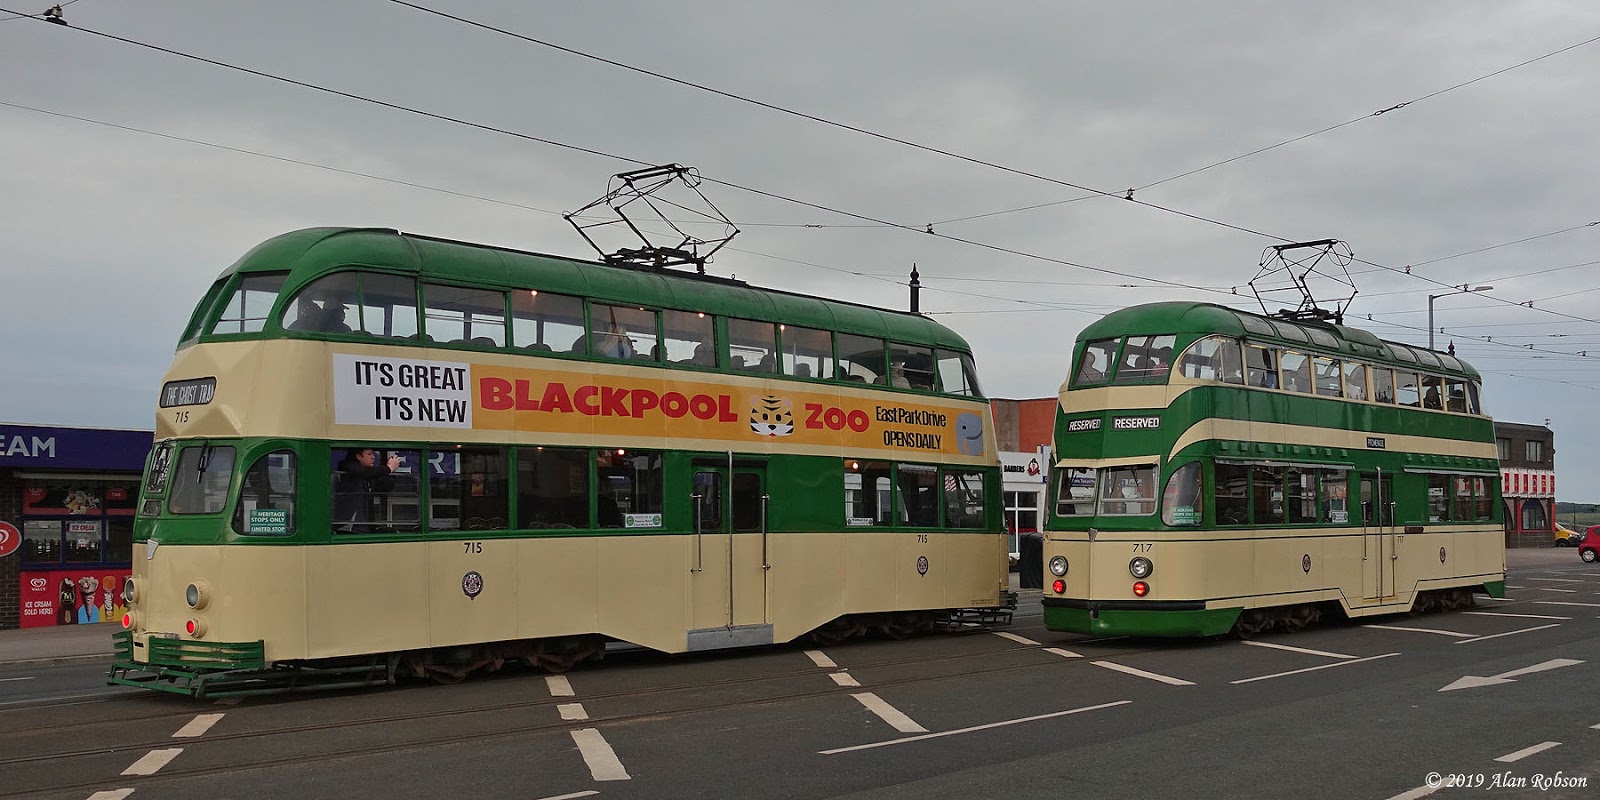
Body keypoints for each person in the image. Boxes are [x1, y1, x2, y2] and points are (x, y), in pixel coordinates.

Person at [333, 448, 401, 532]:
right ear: (358, 456)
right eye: (369, 454)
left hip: (364, 522)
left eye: (373, 454)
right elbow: (364, 473)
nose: (373, 457)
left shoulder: (369, 474)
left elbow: (384, 487)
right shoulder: (346, 465)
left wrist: (391, 472)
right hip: (346, 523)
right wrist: (388, 468)